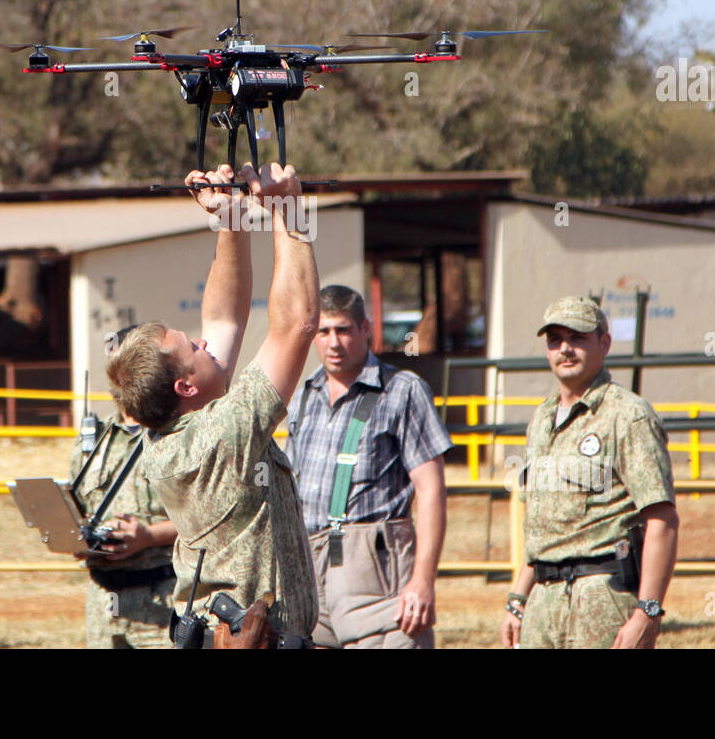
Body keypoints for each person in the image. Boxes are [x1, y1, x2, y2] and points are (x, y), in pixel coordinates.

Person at [107, 161, 320, 647]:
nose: (204, 344)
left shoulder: (169, 430)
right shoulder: (222, 433)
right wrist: (288, 207)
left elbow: (223, 319)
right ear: (184, 386)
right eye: (192, 348)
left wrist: (232, 220)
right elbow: (297, 324)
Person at [500, 296, 680, 649]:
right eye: (555, 340)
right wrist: (518, 601)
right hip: (543, 602)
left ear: (604, 343)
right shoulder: (541, 420)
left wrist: (648, 610)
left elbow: (662, 518)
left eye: (578, 337)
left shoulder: (627, 416)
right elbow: (545, 528)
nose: (565, 349)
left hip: (602, 597)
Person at [286, 285, 451, 648]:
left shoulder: (403, 390)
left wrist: (423, 580)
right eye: (324, 331)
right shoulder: (302, 397)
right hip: (309, 571)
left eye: (344, 329)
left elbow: (431, 489)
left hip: (375, 571)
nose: (333, 342)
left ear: (366, 328)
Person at [67, 399, 178, 649]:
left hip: (163, 603)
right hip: (103, 607)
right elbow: (78, 511)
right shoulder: (93, 438)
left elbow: (207, 518)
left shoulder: (178, 433)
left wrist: (149, 536)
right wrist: (77, 538)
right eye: (111, 356)